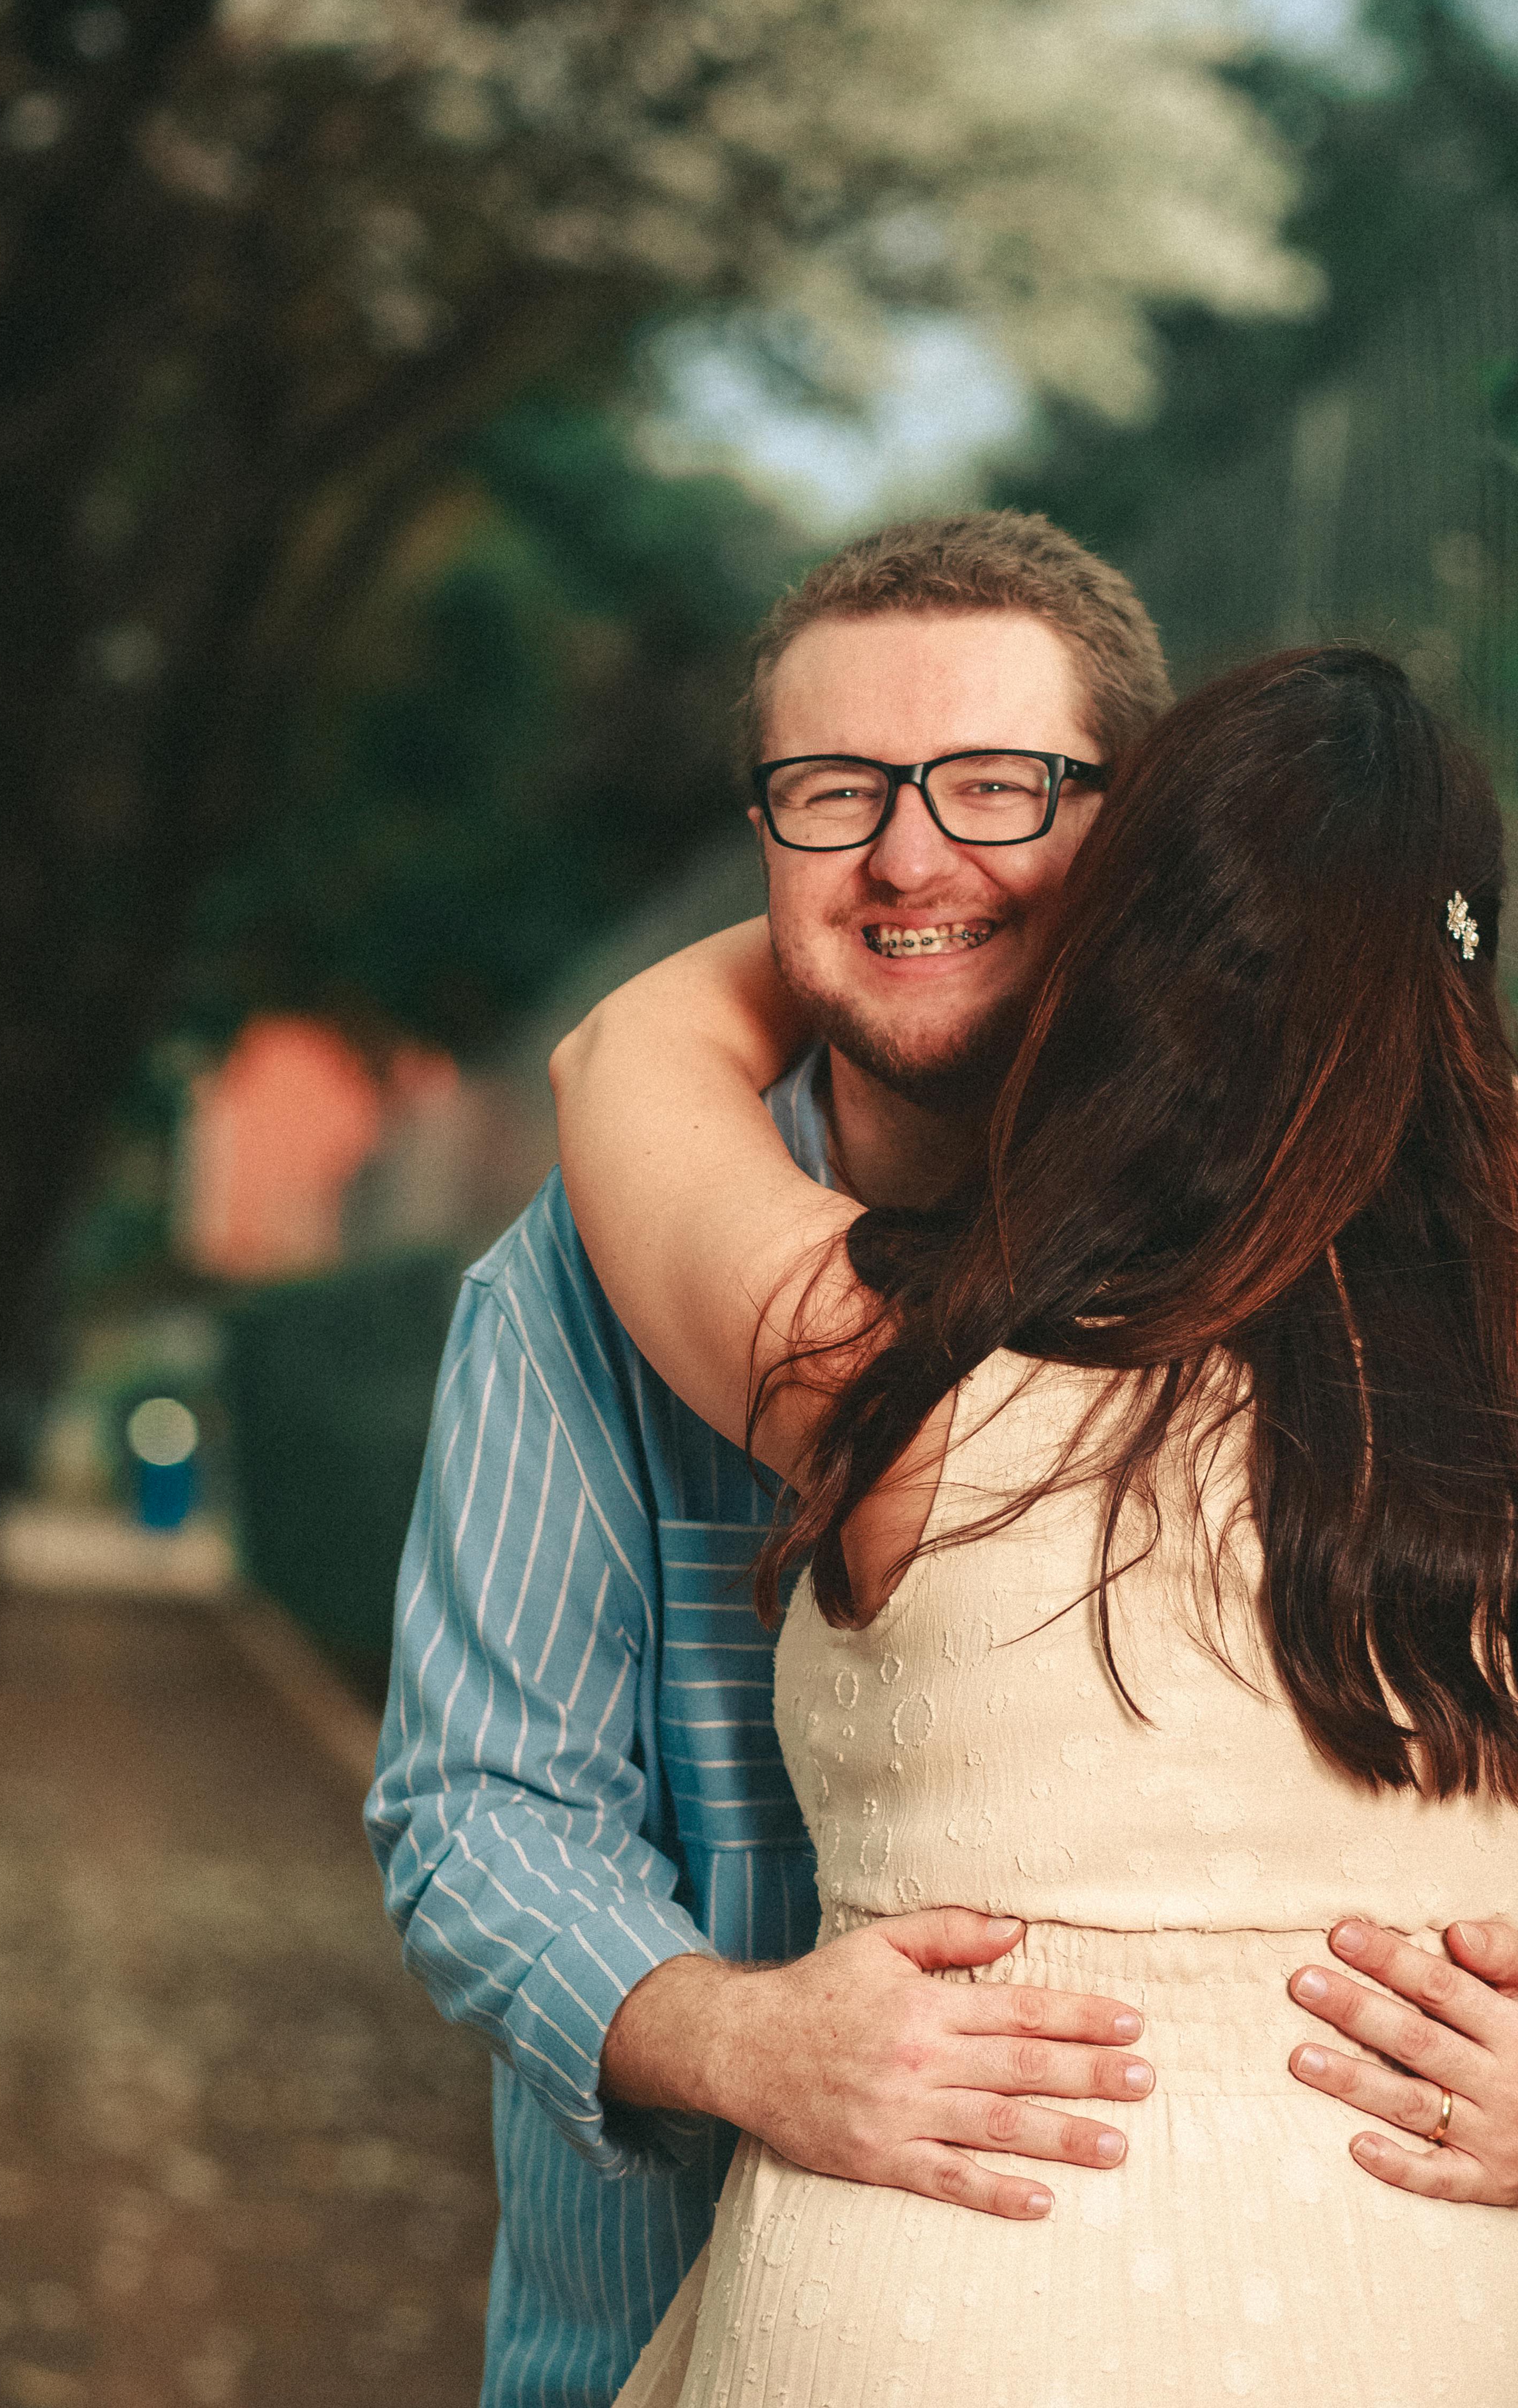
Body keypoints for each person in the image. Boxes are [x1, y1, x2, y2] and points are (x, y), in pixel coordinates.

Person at [368, 516, 1518, 2408]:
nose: (911, 856)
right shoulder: (578, 1286)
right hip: (669, 2288)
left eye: (997, 789)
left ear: (1144, 847)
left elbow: (617, 1056)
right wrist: (735, 2042)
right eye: (833, 794)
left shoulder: (1370, 1299)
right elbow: (479, 1812)